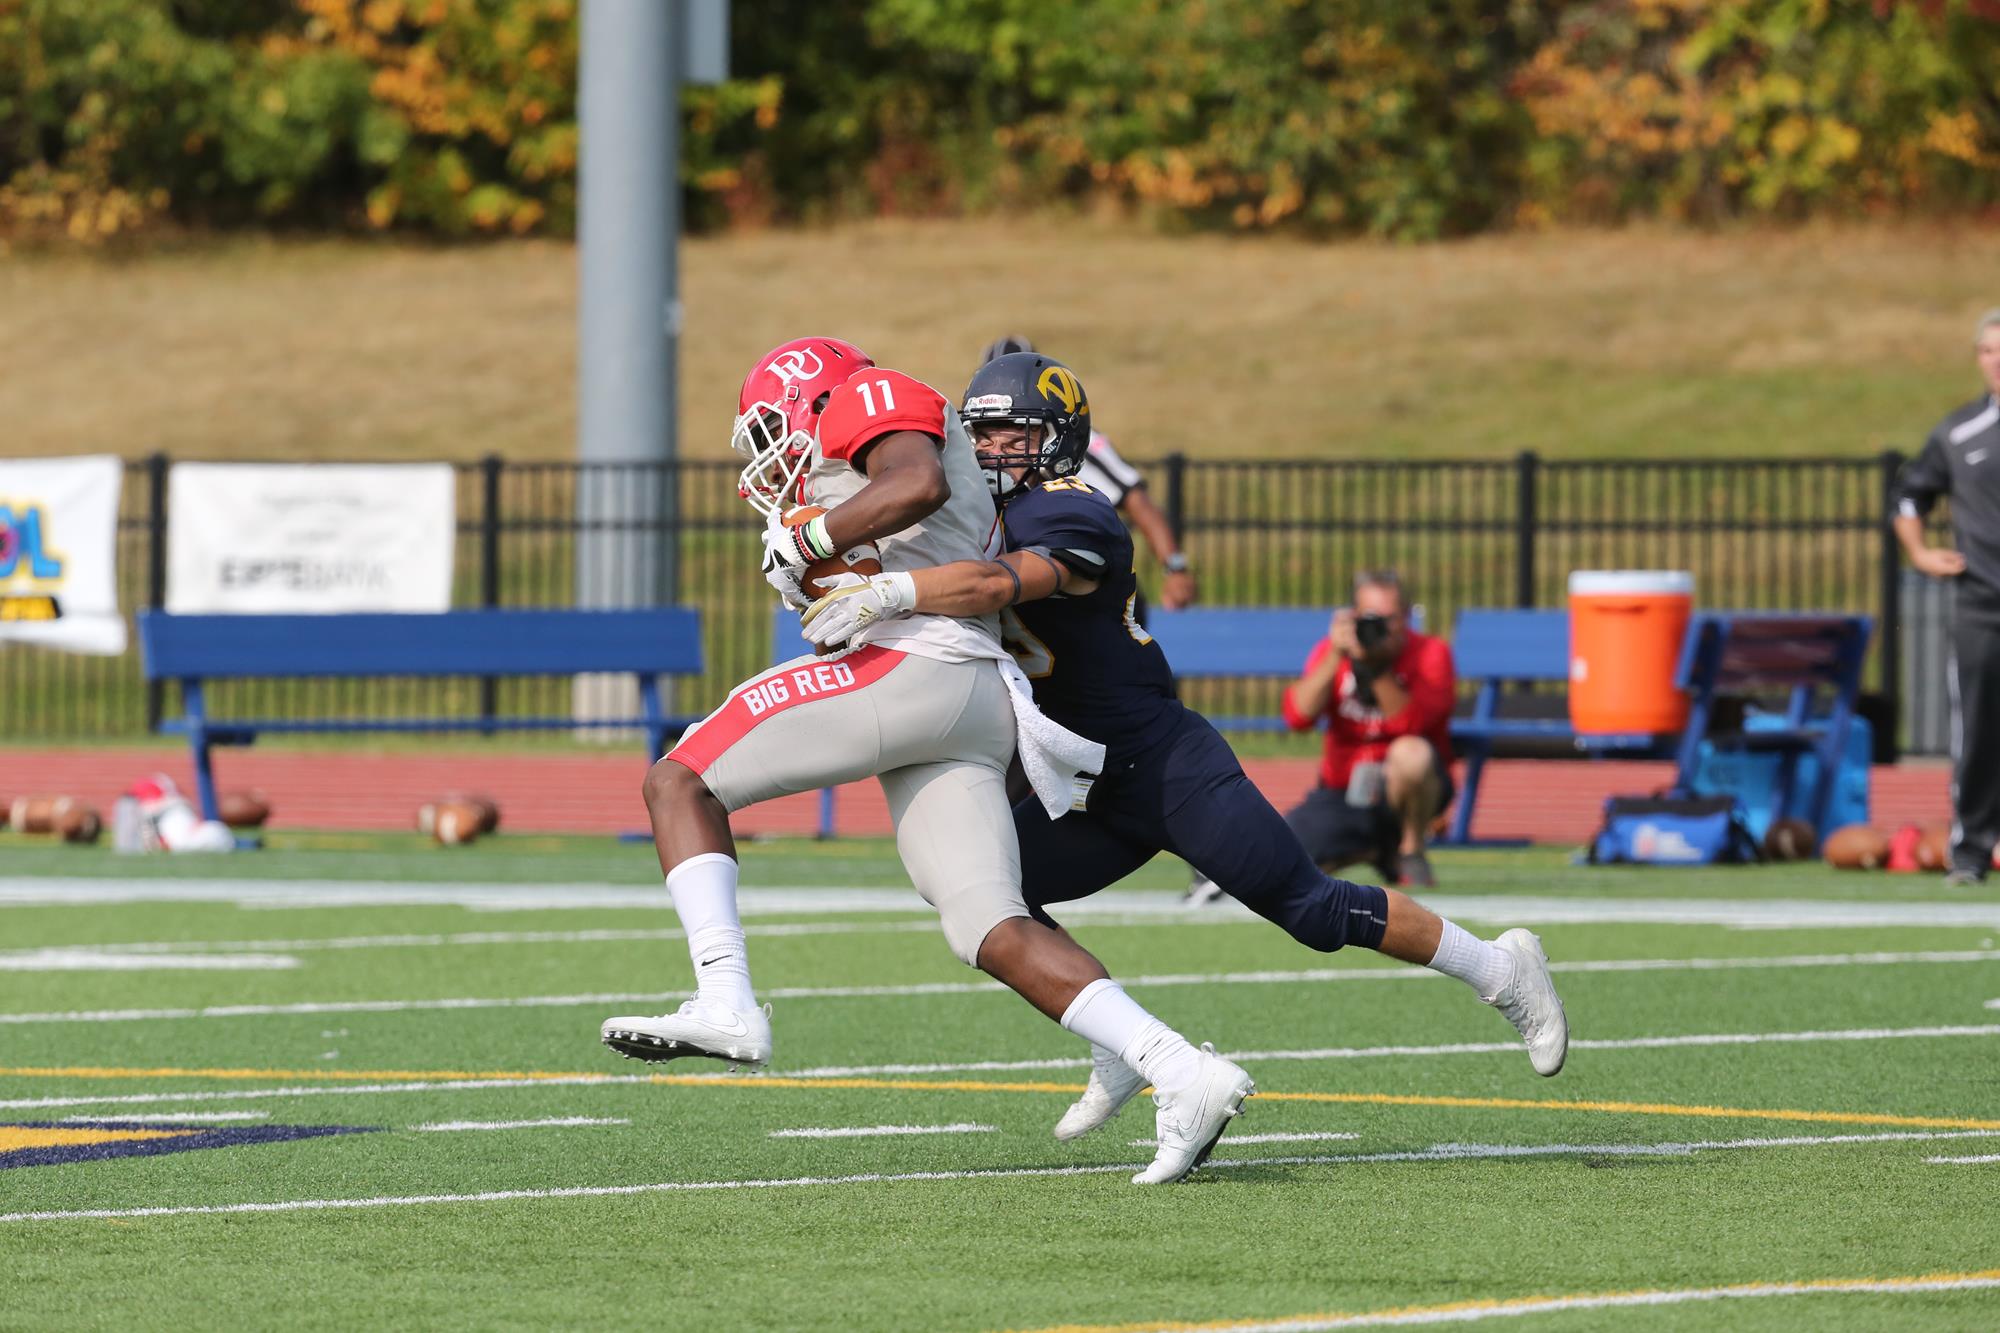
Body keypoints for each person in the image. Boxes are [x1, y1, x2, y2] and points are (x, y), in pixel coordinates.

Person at [801, 351, 1567, 1141]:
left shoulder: (1075, 510)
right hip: (1087, 779)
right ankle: (1119, 1046)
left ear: (1058, 440)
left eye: (1008, 432)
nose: (988, 448)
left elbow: (994, 586)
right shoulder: (979, 515)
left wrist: (892, 590)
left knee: (1311, 908)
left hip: (1164, 766)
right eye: (980, 432)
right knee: (987, 894)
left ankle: (1501, 969)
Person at [601, 336, 1252, 1186]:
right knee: (989, 923)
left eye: (775, 421)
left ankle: (725, 997)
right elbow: (874, 541)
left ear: (816, 393)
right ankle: (1178, 1066)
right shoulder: (851, 460)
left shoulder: (874, 394)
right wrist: (814, 549)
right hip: (965, 697)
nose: (773, 446)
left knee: (678, 776)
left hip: (920, 664)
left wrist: (813, 536)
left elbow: (919, 483)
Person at [1262, 572, 1456, 891]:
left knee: (1411, 753)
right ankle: (1373, 850)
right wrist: (1336, 656)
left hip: (1407, 790)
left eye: (1389, 619)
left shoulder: (1431, 653)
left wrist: (1375, 668)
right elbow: (1297, 716)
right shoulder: (1332, 651)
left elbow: (1413, 723)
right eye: (1369, 618)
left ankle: (1410, 850)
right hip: (1344, 791)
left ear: (1407, 616)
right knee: (1283, 859)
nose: (1377, 628)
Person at [1893, 308, 2000, 888]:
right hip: (1983, 606)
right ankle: (1971, 855)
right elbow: (1909, 497)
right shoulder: (1959, 433)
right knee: (1979, 732)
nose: (1999, 360)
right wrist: (1919, 552)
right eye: (1989, 350)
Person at [979, 335, 1196, 614]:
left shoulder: (1071, 441)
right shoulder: (972, 443)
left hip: (1073, 573)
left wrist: (1174, 566)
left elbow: (1135, 499)